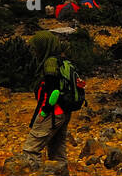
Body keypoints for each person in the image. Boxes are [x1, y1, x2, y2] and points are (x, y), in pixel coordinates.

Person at [21, 30, 79, 164]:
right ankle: (60, 171)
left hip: (53, 112)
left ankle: (32, 171)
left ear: (43, 47)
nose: (34, 51)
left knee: (30, 149)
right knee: (57, 151)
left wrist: (44, 112)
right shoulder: (62, 61)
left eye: (36, 48)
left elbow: (54, 92)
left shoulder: (50, 63)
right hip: (64, 111)